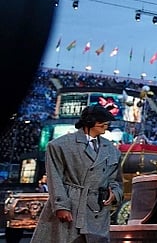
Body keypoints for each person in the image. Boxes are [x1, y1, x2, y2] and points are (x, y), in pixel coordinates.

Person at [32, 104, 123, 243]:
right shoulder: (60, 145)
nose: (106, 124)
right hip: (72, 207)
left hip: (98, 211)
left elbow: (116, 181)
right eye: (102, 120)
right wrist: (61, 206)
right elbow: (55, 178)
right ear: (89, 121)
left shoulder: (112, 150)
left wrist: (114, 194)